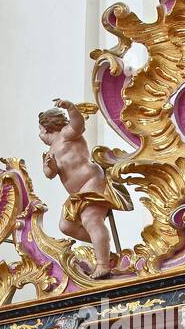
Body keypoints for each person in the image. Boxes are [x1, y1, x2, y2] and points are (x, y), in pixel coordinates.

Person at [40, 100, 124, 280]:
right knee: (66, 226)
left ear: (47, 129)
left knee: (91, 220)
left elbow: (78, 125)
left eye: (40, 130)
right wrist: (51, 166)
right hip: (76, 195)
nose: (40, 135)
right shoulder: (49, 152)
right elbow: (49, 173)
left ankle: (102, 264)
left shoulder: (66, 135)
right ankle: (103, 247)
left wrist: (70, 108)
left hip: (91, 181)